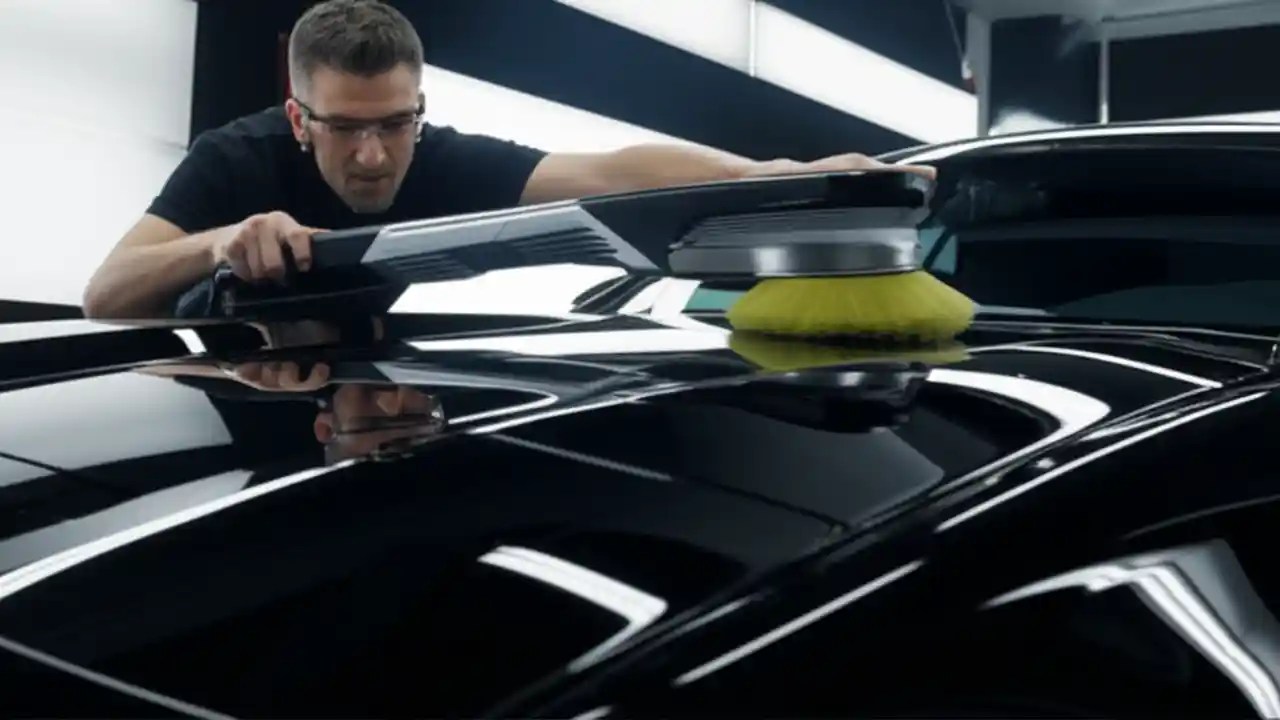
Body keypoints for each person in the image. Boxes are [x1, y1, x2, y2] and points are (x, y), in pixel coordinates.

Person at [82, 0, 934, 319]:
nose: (377, 155)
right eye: (346, 129)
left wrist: (759, 176)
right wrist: (219, 240)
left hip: (370, 393)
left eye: (397, 123)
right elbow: (104, 294)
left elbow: (607, 171)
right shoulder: (239, 157)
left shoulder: (438, 160)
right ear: (301, 116)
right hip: (225, 395)